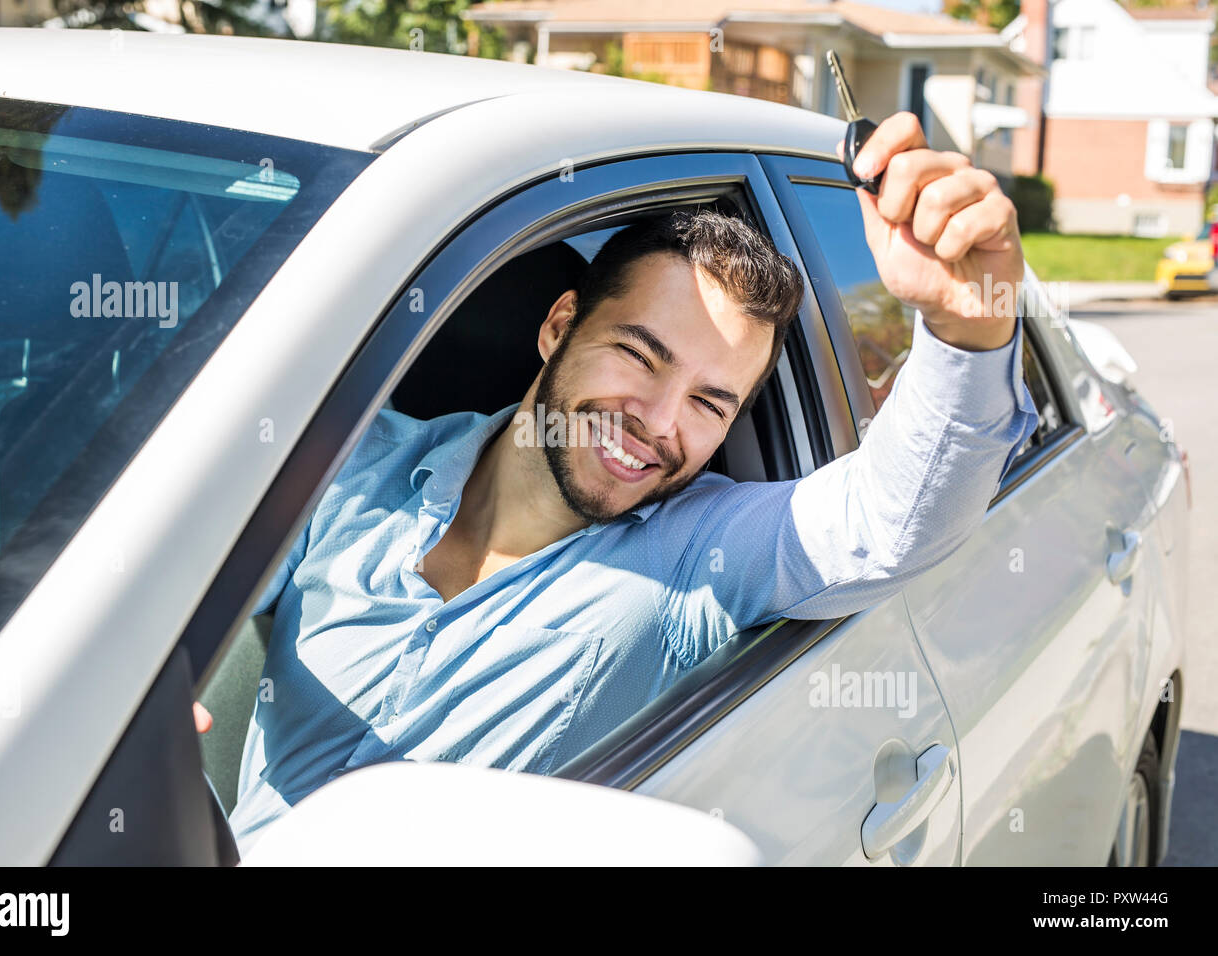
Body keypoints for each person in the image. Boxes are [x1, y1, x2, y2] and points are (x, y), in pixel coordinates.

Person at [217, 113, 1040, 855]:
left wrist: (968, 324)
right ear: (558, 326)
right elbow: (183, 592)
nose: (656, 420)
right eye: (640, 356)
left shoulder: (695, 558)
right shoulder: (352, 467)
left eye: (710, 403)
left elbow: (892, 519)